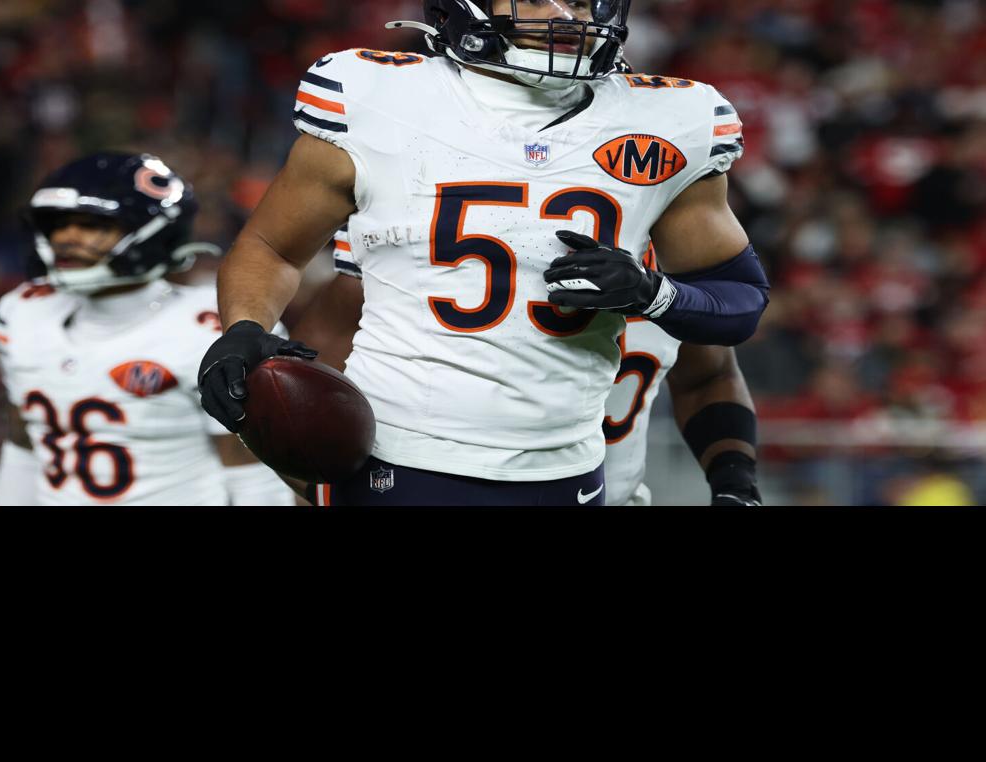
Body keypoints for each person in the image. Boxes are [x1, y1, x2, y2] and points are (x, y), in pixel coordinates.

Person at [198, 0, 770, 506]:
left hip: (572, 468)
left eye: (578, 0)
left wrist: (654, 294)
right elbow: (272, 248)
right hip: (404, 455)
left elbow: (740, 300)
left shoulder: (671, 122)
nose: (567, 15)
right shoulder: (379, 99)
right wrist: (244, 327)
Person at [299, 230, 763, 506]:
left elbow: (710, 377)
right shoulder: (430, 240)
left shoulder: (672, 257)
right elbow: (305, 389)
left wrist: (735, 483)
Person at [0, 152, 293, 506]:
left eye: (92, 225)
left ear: (155, 233)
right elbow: (24, 445)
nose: (66, 238)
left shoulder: (209, 328)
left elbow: (251, 472)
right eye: (59, 224)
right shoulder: (23, 313)